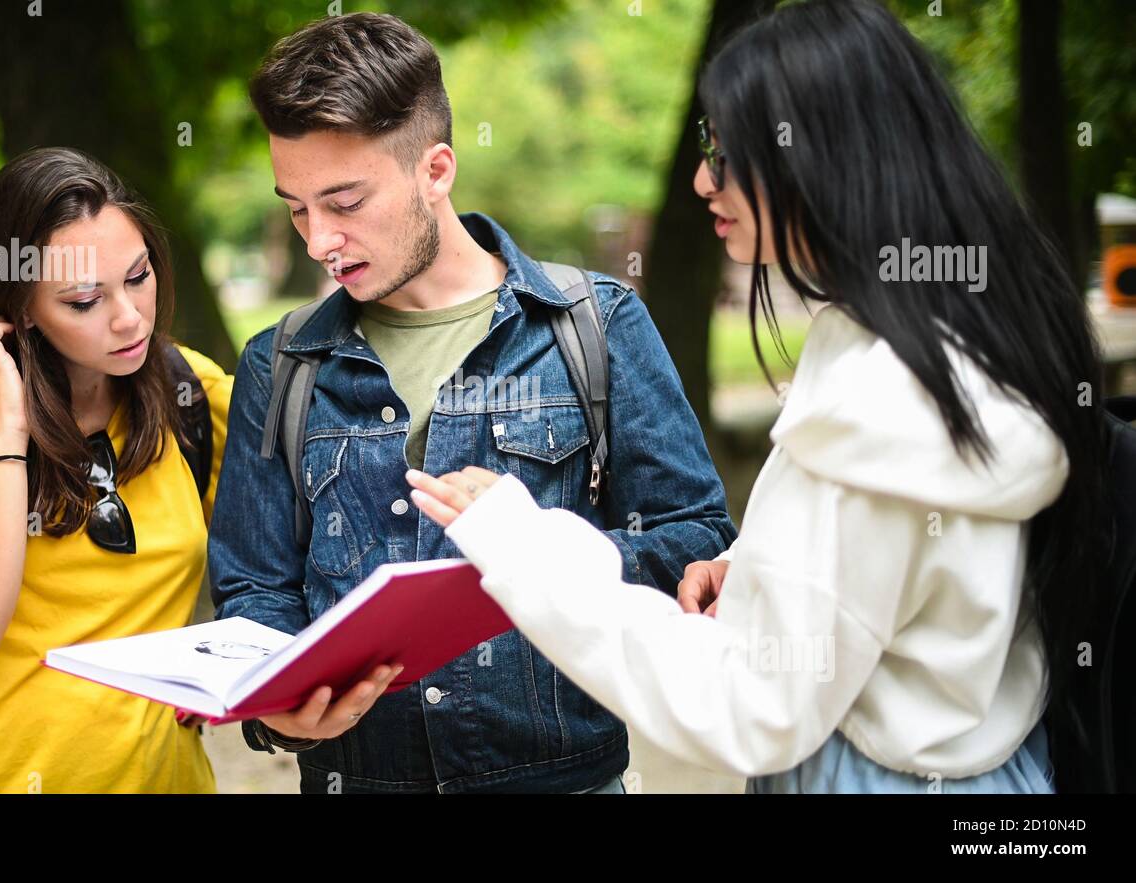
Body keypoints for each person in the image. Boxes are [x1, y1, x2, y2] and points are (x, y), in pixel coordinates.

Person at [407, 0, 1108, 793]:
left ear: (824, 155)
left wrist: (523, 546)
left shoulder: (887, 407)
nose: (705, 178)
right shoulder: (966, 343)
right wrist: (759, 567)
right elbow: (901, 579)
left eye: (728, 150)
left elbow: (748, 708)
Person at [208, 12, 736, 793]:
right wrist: (276, 707)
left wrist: (537, 553)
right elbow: (257, 588)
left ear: (437, 170)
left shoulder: (597, 324)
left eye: (345, 202)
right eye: (296, 207)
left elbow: (693, 541)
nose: (319, 240)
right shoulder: (278, 364)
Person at [0, 147, 232, 792]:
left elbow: (279, 564)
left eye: (138, 276)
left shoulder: (193, 392)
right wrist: (10, 433)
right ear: (21, 310)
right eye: (83, 301)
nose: (129, 317)